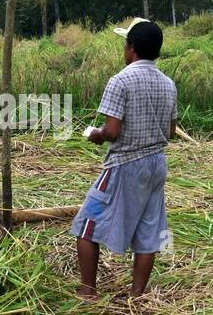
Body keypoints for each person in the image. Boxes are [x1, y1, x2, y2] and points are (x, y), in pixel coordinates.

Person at [70, 18, 178, 300]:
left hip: (125, 163)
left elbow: (113, 132)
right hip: (156, 163)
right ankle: (137, 294)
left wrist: (96, 134)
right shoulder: (168, 84)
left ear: (131, 48)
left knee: (86, 224)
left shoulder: (121, 80)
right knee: (149, 229)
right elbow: (170, 131)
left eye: (125, 44)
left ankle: (88, 290)